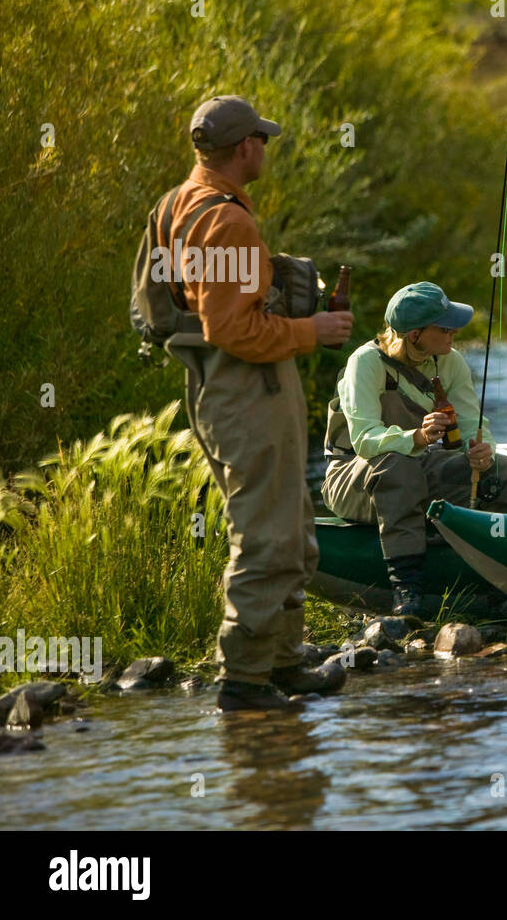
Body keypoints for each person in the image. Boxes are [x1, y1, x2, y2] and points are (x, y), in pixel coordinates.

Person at [166, 95, 354, 711]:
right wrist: (312, 332)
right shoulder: (228, 221)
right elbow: (230, 328)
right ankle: (243, 682)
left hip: (223, 386)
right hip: (248, 390)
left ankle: (282, 662)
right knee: (266, 538)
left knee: (292, 530)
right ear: (245, 147)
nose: (265, 149)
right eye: (262, 141)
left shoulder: (177, 204)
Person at [321, 281, 507, 620]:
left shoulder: (451, 362)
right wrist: (416, 437)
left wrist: (483, 452)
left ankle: (505, 589)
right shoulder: (365, 363)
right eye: (444, 327)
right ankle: (407, 590)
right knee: (396, 467)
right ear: (414, 334)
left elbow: (475, 426)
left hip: (423, 465)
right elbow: (364, 440)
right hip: (353, 476)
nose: (454, 332)